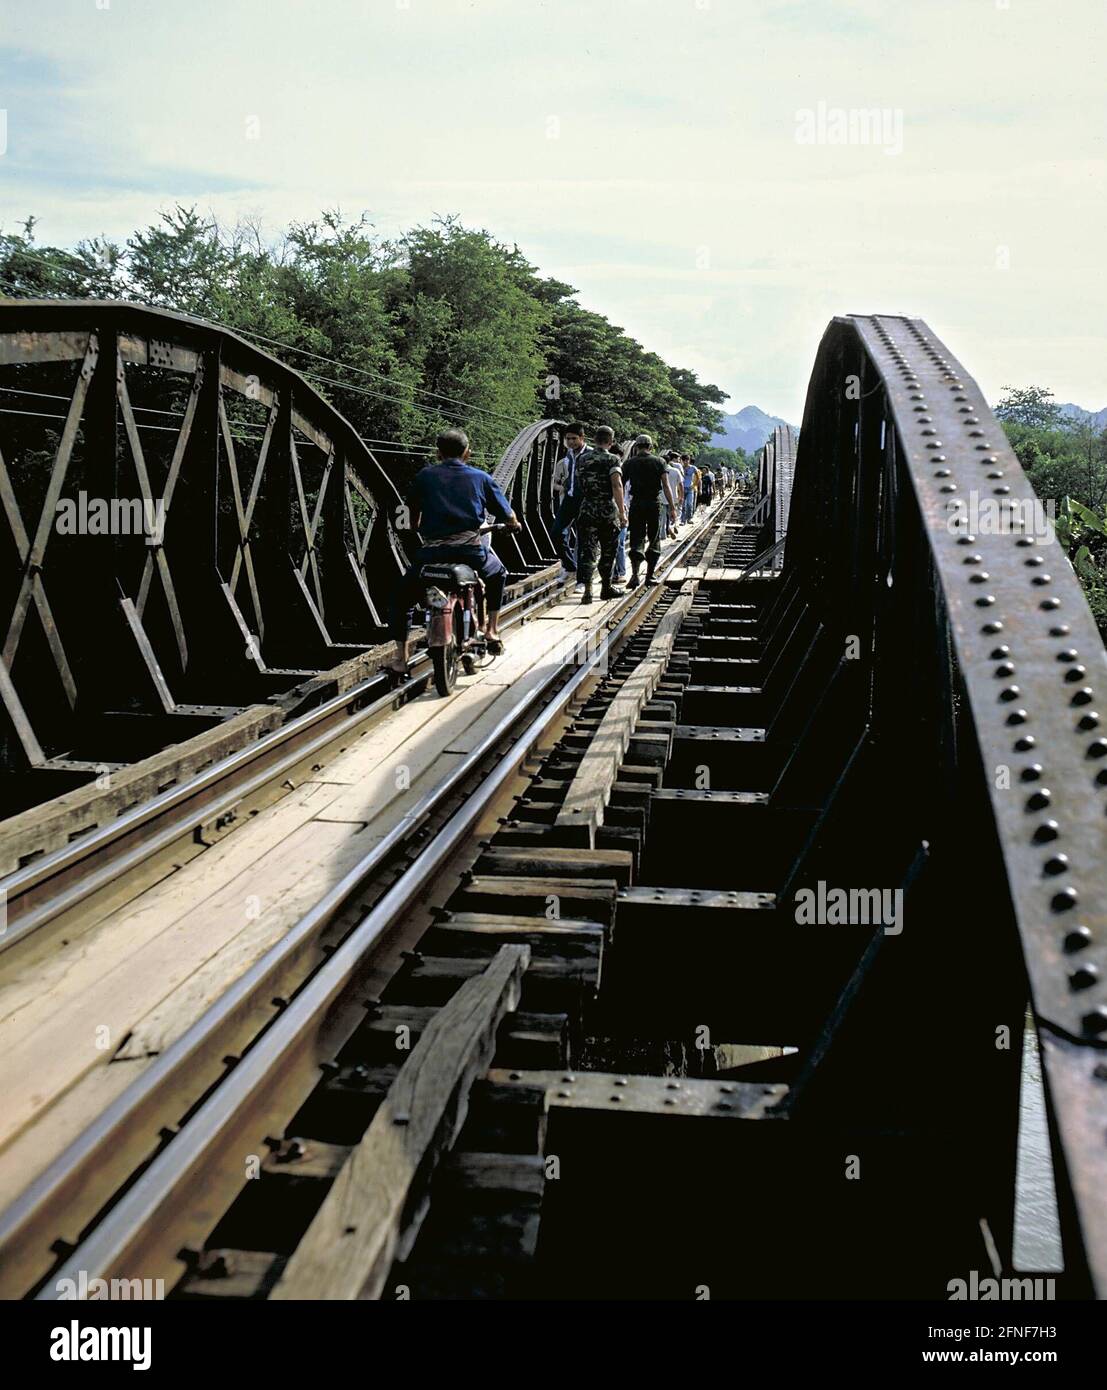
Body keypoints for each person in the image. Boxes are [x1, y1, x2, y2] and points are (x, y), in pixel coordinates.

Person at [386, 428, 521, 675]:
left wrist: (420, 525)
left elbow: (412, 519)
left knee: (401, 597)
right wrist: (512, 523)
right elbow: (507, 514)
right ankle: (491, 629)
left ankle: (400, 658)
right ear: (467, 452)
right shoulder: (481, 478)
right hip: (470, 552)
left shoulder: (424, 477)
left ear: (438, 453)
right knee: (498, 573)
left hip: (432, 554)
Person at [575, 425, 626, 603]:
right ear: (611, 442)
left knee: (587, 551)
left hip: (587, 508)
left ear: (594, 440)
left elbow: (579, 483)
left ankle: (587, 591)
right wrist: (622, 511)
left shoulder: (581, 458)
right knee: (607, 551)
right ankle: (606, 588)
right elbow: (617, 485)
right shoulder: (612, 459)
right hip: (606, 510)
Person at [623, 433, 677, 588]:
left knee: (636, 538)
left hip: (636, 504)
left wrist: (620, 506)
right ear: (651, 447)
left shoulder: (629, 463)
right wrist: (672, 508)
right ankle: (650, 575)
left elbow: (620, 484)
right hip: (654, 503)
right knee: (654, 539)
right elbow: (666, 486)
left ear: (636, 447)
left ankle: (634, 575)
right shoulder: (659, 462)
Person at [551, 423, 588, 579]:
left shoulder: (591, 455)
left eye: (574, 438)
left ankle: (582, 579)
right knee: (556, 533)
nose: (571, 442)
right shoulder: (567, 457)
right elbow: (554, 482)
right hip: (569, 499)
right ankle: (570, 565)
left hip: (585, 500)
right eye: (568, 439)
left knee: (583, 540)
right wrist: (563, 488)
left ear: (582, 438)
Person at [664, 452, 684, 536]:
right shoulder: (676, 470)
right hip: (674, 495)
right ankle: (673, 526)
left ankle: (667, 529)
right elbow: (680, 484)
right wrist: (681, 496)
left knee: (664, 515)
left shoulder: (658, 470)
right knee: (673, 512)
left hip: (662, 496)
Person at [681, 454, 697, 523]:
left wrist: (694, 484)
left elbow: (699, 477)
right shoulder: (680, 467)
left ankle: (689, 518)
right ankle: (683, 520)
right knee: (683, 504)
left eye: (687, 460)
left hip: (690, 488)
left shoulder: (693, 468)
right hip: (682, 488)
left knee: (690, 504)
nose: (686, 462)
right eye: (684, 460)